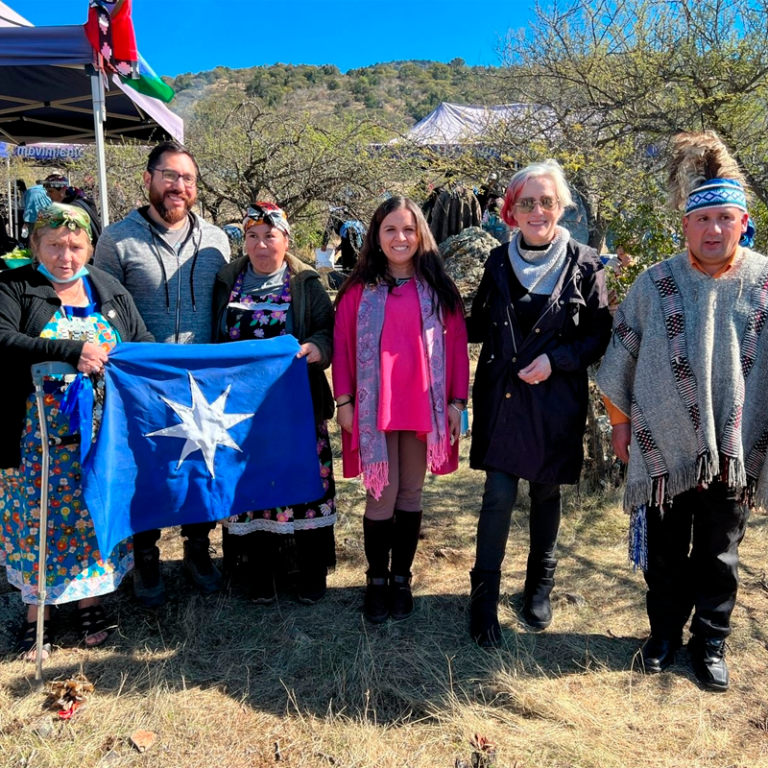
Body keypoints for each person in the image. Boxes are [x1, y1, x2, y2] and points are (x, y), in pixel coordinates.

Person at [597, 131, 768, 692]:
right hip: (664, 446)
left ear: (743, 221)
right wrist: (622, 425)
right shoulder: (656, 283)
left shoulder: (764, 281)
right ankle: (664, 634)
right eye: (703, 220)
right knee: (667, 552)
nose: (714, 230)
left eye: (725, 218)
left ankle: (711, 642)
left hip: (735, 445)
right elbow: (622, 349)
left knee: (720, 552)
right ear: (685, 225)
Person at [467, 159, 612, 647]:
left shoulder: (586, 263)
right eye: (526, 202)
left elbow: (598, 336)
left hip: (554, 397)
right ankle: (483, 600)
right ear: (510, 210)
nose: (536, 210)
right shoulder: (496, 260)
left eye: (546, 201)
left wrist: (557, 360)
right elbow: (476, 323)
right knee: (499, 495)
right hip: (503, 396)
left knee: (546, 493)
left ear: (562, 207)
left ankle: (539, 587)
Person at [0, 203, 153, 660]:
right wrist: (71, 351)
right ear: (35, 246)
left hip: (101, 437)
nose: (65, 255)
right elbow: (3, 339)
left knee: (93, 510)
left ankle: (91, 602)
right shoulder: (15, 287)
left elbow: (141, 345)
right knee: (39, 517)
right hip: (37, 438)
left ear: (89, 246)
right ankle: (38, 615)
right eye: (53, 245)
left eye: (75, 245)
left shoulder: (107, 287)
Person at [94, 140, 230, 608]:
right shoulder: (116, 238)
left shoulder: (217, 238)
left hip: (202, 377)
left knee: (200, 464)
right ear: (149, 179)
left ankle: (198, 548)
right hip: (143, 379)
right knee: (147, 467)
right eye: (170, 176)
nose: (180, 186)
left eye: (188, 179)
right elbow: (104, 308)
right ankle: (146, 555)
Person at [333, 196, 470, 623]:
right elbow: (341, 347)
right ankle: (375, 580)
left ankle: (401, 579)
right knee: (382, 495)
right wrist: (344, 401)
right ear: (376, 235)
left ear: (420, 234)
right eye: (390, 229)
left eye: (408, 229)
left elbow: (458, 350)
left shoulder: (439, 290)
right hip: (374, 409)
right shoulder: (357, 292)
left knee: (411, 493)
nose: (400, 237)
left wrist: (456, 403)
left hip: (423, 407)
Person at [212, 202, 336, 603]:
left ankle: (310, 571)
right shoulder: (226, 281)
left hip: (295, 407)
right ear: (243, 240)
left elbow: (327, 331)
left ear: (286, 240)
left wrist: (317, 348)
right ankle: (260, 572)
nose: (261, 245)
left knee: (303, 486)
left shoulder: (306, 284)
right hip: (240, 410)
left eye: (270, 236)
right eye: (252, 236)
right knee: (253, 490)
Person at [43, 174, 103, 245]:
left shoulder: (71, 209)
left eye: (50, 191)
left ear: (62, 191)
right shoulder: (79, 201)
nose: (48, 195)